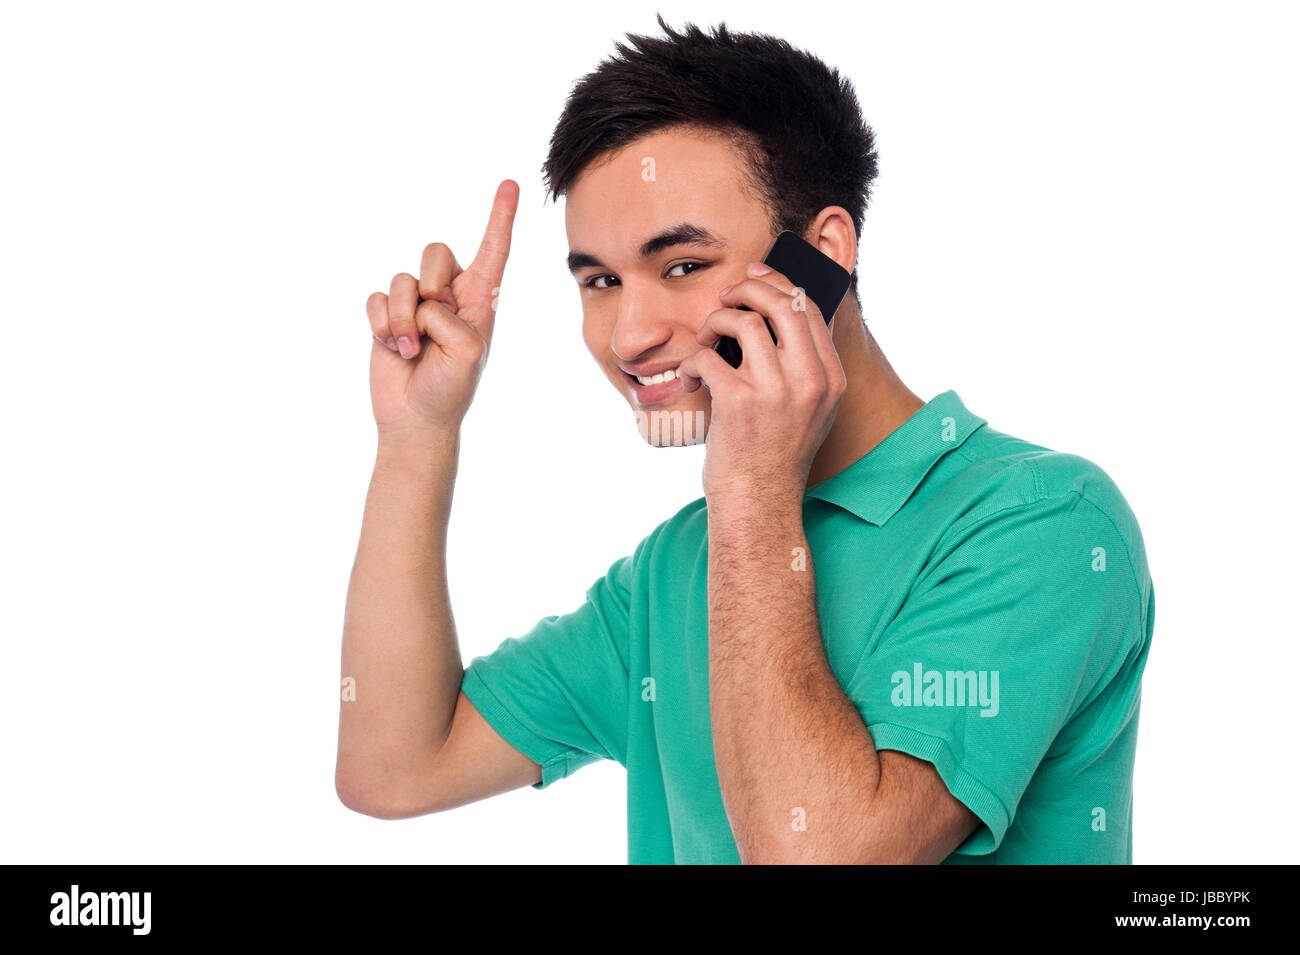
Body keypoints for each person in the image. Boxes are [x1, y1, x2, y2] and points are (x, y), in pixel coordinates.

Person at [335, 15, 1155, 864]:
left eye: (682, 265)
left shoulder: (1046, 522)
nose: (628, 336)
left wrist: (754, 493)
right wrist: (416, 436)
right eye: (601, 281)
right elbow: (395, 768)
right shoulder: (675, 569)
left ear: (822, 257)